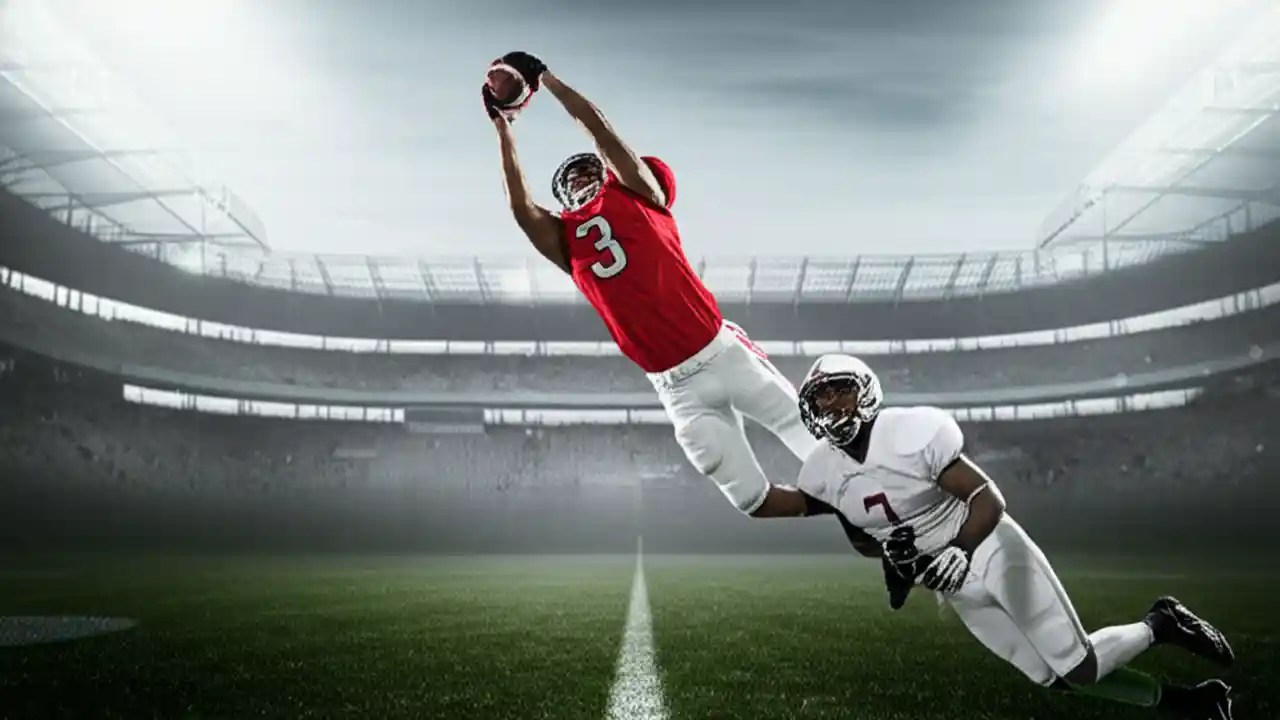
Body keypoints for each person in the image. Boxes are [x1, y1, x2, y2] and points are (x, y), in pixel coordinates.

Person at [789, 353, 1237, 719]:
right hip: (954, 585)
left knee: (1078, 666)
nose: (831, 406)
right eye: (821, 398)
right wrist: (890, 551)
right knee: (1051, 677)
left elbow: (988, 497)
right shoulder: (828, 474)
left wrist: (959, 548)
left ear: (864, 391)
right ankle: (1195, 702)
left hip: (985, 546)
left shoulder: (909, 434)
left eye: (839, 391)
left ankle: (1162, 623)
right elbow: (863, 538)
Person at [483, 51, 817, 517]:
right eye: (570, 179)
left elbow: (599, 129)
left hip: (720, 353)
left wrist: (547, 79)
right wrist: (503, 127)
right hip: (672, 386)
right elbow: (520, 206)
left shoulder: (642, 196)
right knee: (751, 500)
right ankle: (842, 512)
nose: (578, 180)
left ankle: (885, 515)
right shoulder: (567, 240)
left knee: (819, 447)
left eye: (588, 171)